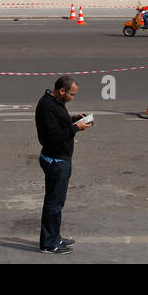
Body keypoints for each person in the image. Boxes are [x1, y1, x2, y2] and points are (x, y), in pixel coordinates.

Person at [35, 75, 92, 253]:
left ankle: (55, 237)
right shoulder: (47, 106)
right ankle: (48, 243)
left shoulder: (55, 103)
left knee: (57, 202)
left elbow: (59, 125)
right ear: (62, 91)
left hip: (60, 159)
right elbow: (52, 137)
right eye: (72, 95)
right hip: (55, 161)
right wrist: (76, 128)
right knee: (54, 203)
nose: (72, 98)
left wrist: (73, 119)